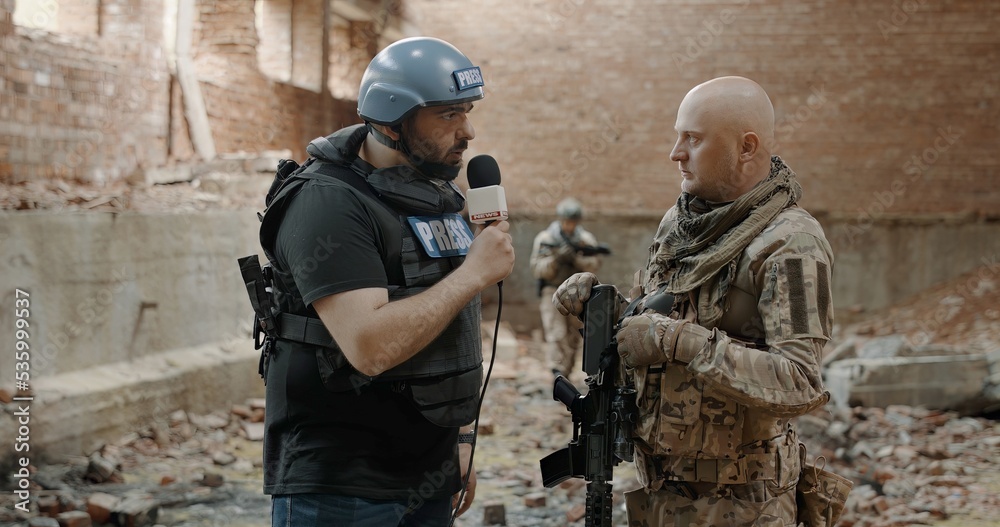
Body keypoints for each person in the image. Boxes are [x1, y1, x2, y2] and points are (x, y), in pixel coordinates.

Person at [554, 76, 838, 526]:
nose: (675, 153)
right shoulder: (681, 222)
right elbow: (657, 321)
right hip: (661, 492)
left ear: (746, 147)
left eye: (693, 138)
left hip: (742, 503)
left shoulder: (790, 244)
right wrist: (602, 312)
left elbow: (800, 382)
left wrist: (679, 342)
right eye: (677, 136)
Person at [256, 37, 514, 526]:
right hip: (340, 484)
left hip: (427, 472)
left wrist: (460, 440)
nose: (469, 132)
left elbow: (454, 326)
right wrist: (474, 273)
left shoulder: (434, 194)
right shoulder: (328, 203)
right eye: (448, 115)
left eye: (467, 112)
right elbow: (369, 346)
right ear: (393, 119)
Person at [529, 198, 604, 378]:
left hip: (578, 294)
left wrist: (576, 259)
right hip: (552, 291)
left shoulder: (585, 240)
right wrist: (556, 260)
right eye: (566, 221)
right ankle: (557, 371)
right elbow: (537, 268)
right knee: (556, 333)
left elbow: (594, 264)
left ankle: (566, 372)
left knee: (573, 336)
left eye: (573, 222)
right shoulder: (546, 239)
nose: (569, 225)